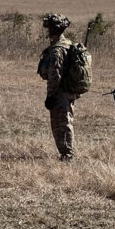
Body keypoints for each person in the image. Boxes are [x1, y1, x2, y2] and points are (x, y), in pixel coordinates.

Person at [38, 14, 80, 161]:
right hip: (65, 91)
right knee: (63, 122)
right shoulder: (67, 44)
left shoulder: (57, 49)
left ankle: (68, 155)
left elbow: (55, 74)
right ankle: (66, 153)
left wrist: (51, 95)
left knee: (62, 123)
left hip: (60, 92)